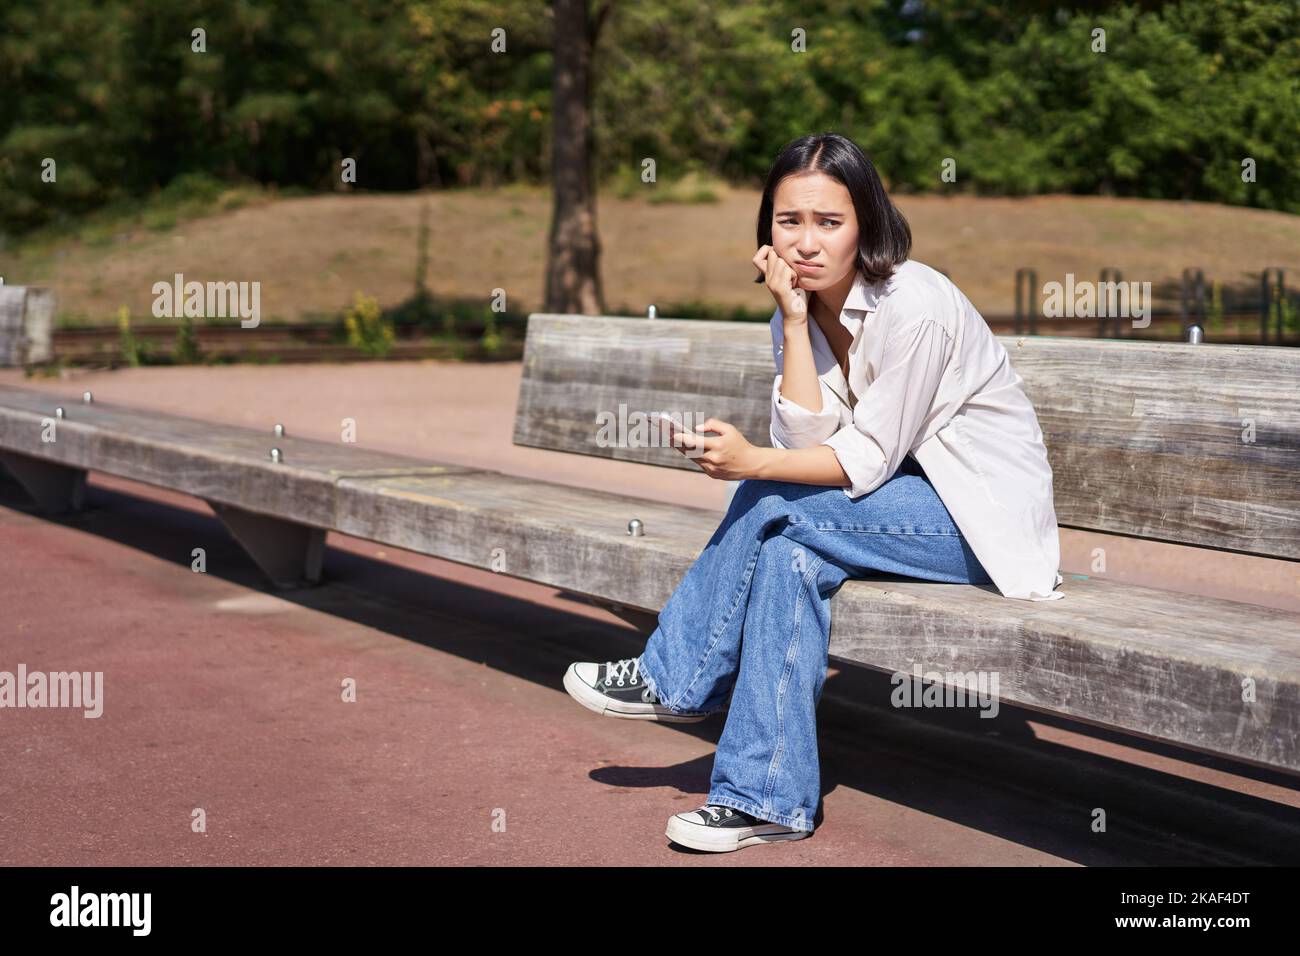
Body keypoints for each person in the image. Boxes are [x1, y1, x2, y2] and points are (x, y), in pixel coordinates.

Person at [563, 131, 1064, 853]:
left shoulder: (914, 304)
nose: (806, 242)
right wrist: (796, 324)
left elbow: (858, 458)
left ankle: (674, 678)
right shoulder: (792, 309)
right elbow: (808, 450)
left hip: (975, 522)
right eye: (788, 221)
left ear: (867, 224)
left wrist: (750, 465)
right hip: (882, 511)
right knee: (787, 557)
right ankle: (764, 798)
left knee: (771, 501)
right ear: (766, 228)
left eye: (829, 222)